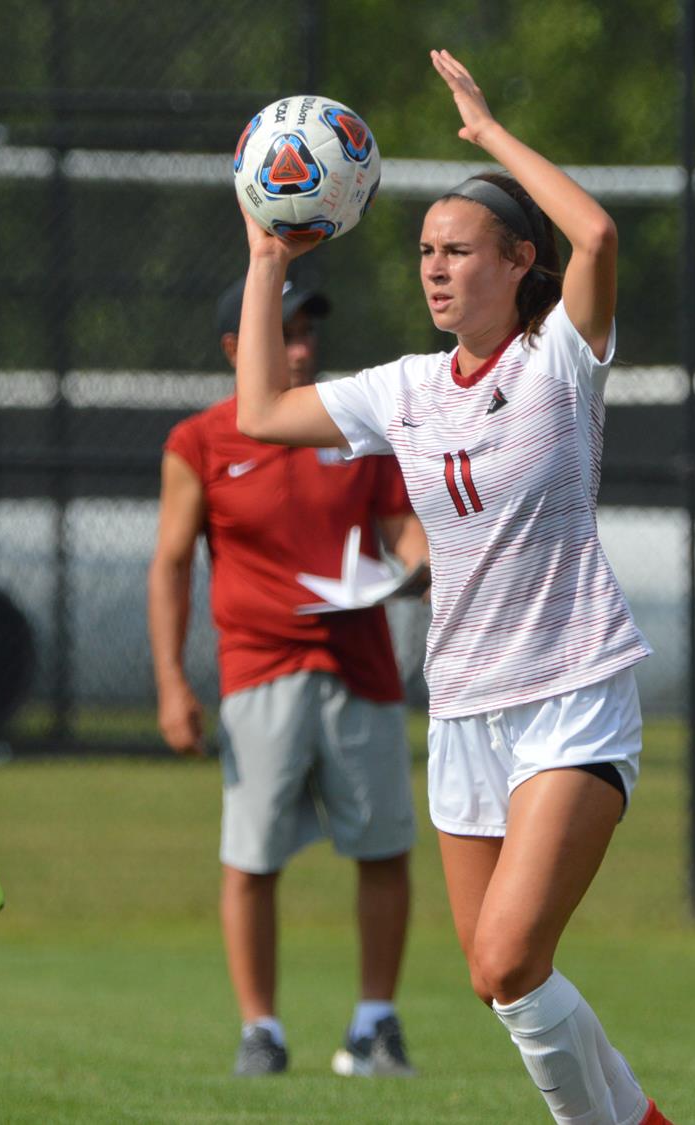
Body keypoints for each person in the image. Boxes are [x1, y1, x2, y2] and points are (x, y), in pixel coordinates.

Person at [229, 49, 674, 1125]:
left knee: (515, 951)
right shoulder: (409, 388)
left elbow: (600, 237)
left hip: (569, 691)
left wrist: (486, 135)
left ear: (519, 261)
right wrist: (262, 260)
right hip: (466, 706)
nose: (434, 268)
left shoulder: (561, 359)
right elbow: (259, 414)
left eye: (459, 249)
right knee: (495, 976)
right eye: (425, 251)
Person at [148, 277, 429, 1078]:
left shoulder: (353, 425)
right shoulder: (200, 440)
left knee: (382, 845)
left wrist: (418, 565)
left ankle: (376, 1024)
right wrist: (171, 681)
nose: (302, 346)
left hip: (360, 669)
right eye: (285, 330)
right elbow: (170, 564)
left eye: (307, 330)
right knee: (253, 855)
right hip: (258, 671)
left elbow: (402, 525)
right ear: (238, 347)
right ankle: (260, 1030)